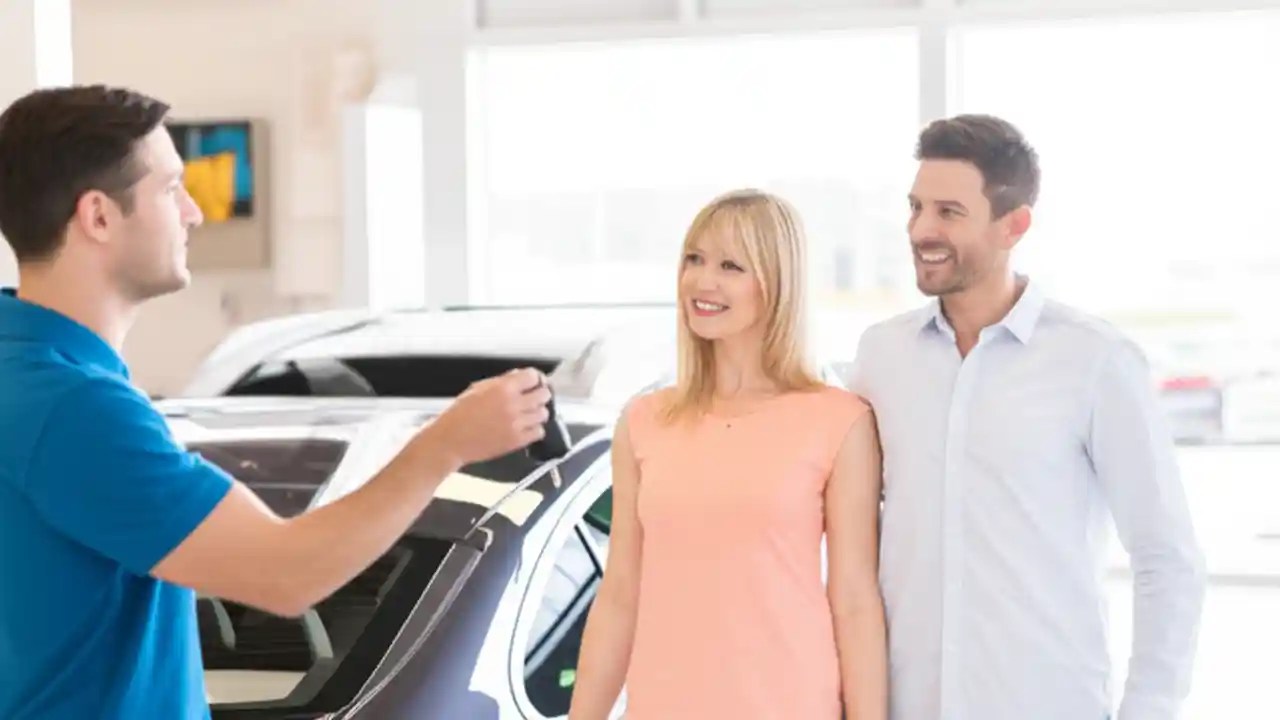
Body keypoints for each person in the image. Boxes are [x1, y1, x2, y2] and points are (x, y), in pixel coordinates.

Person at [0, 85, 551, 719]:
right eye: (169, 189)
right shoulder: (75, 410)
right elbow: (285, 574)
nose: (193, 213)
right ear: (98, 217)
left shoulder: (28, 374)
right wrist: (446, 444)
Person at [850, 114, 1207, 720]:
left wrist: (1148, 708)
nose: (920, 229)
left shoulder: (1096, 361)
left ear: (1013, 225)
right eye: (915, 207)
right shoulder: (880, 356)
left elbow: (1165, 557)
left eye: (948, 212)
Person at [567, 189, 888, 720]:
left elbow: (854, 602)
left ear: (777, 284)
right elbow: (620, 594)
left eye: (730, 265)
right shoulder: (644, 421)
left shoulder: (839, 420)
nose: (701, 280)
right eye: (693, 259)